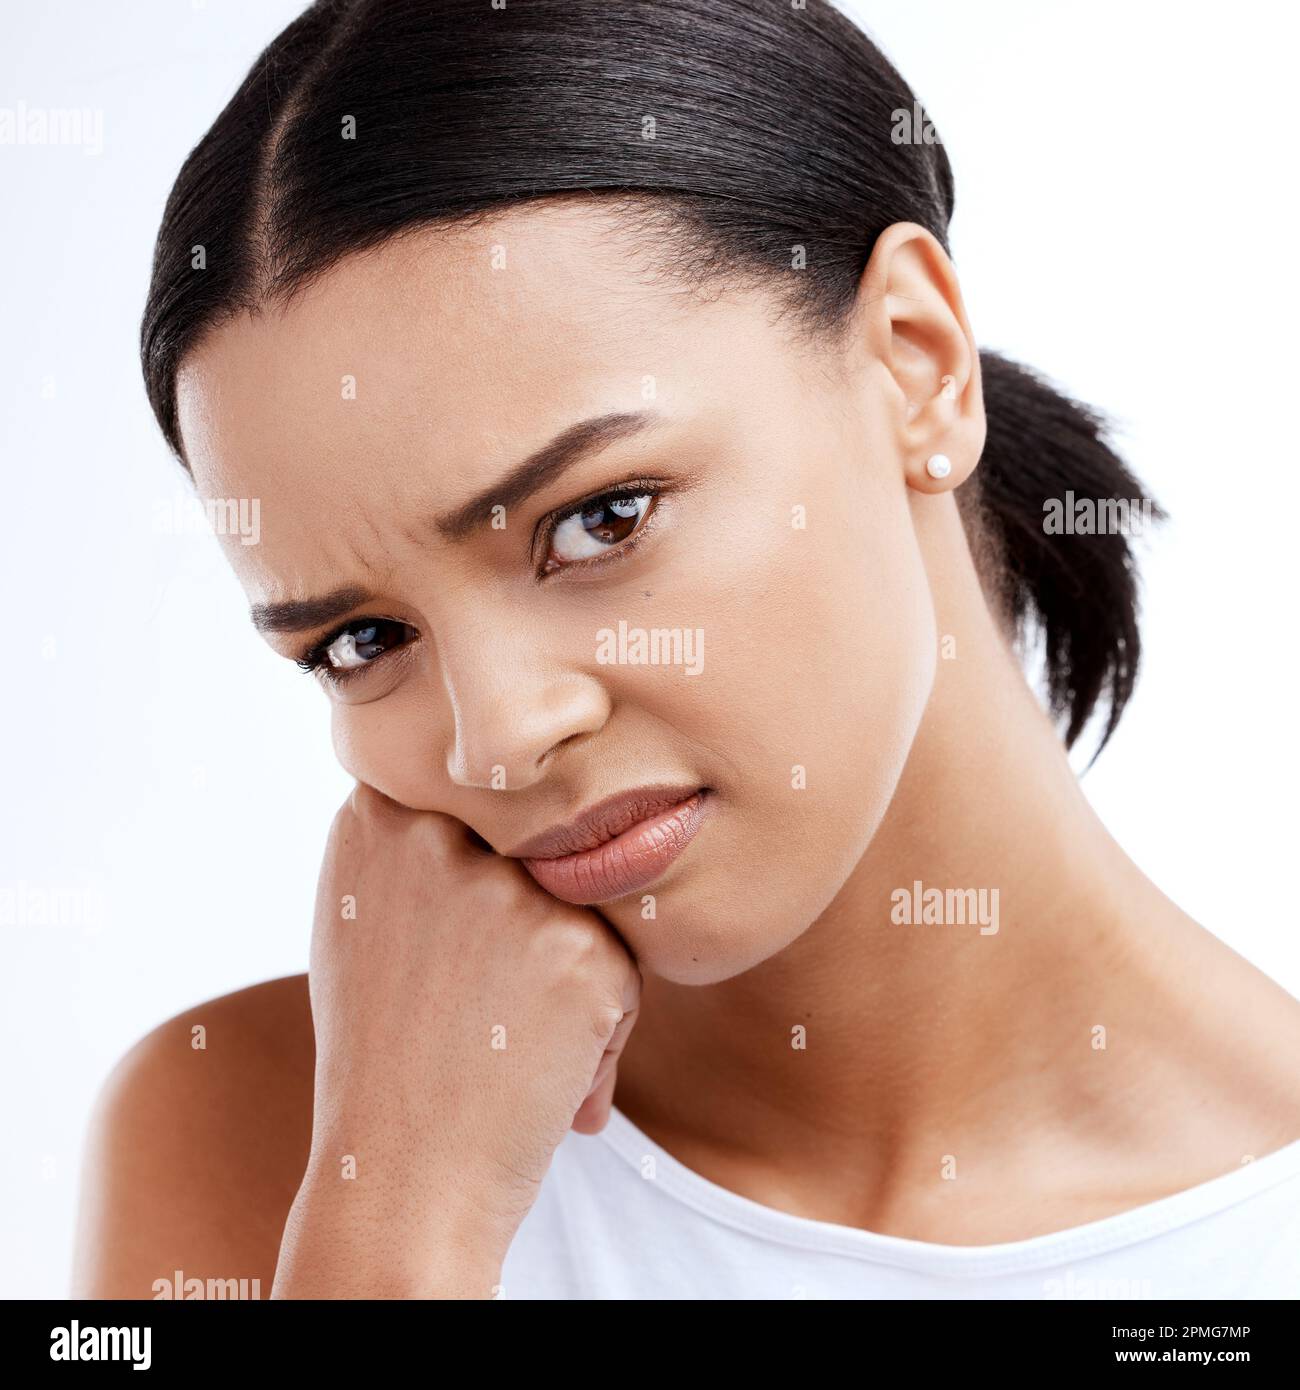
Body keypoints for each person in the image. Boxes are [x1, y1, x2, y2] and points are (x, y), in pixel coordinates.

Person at [73, 0, 1300, 1299]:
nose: (501, 736)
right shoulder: (264, 1134)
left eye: (599, 519)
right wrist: (401, 1215)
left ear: (915, 363)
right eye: (361, 639)